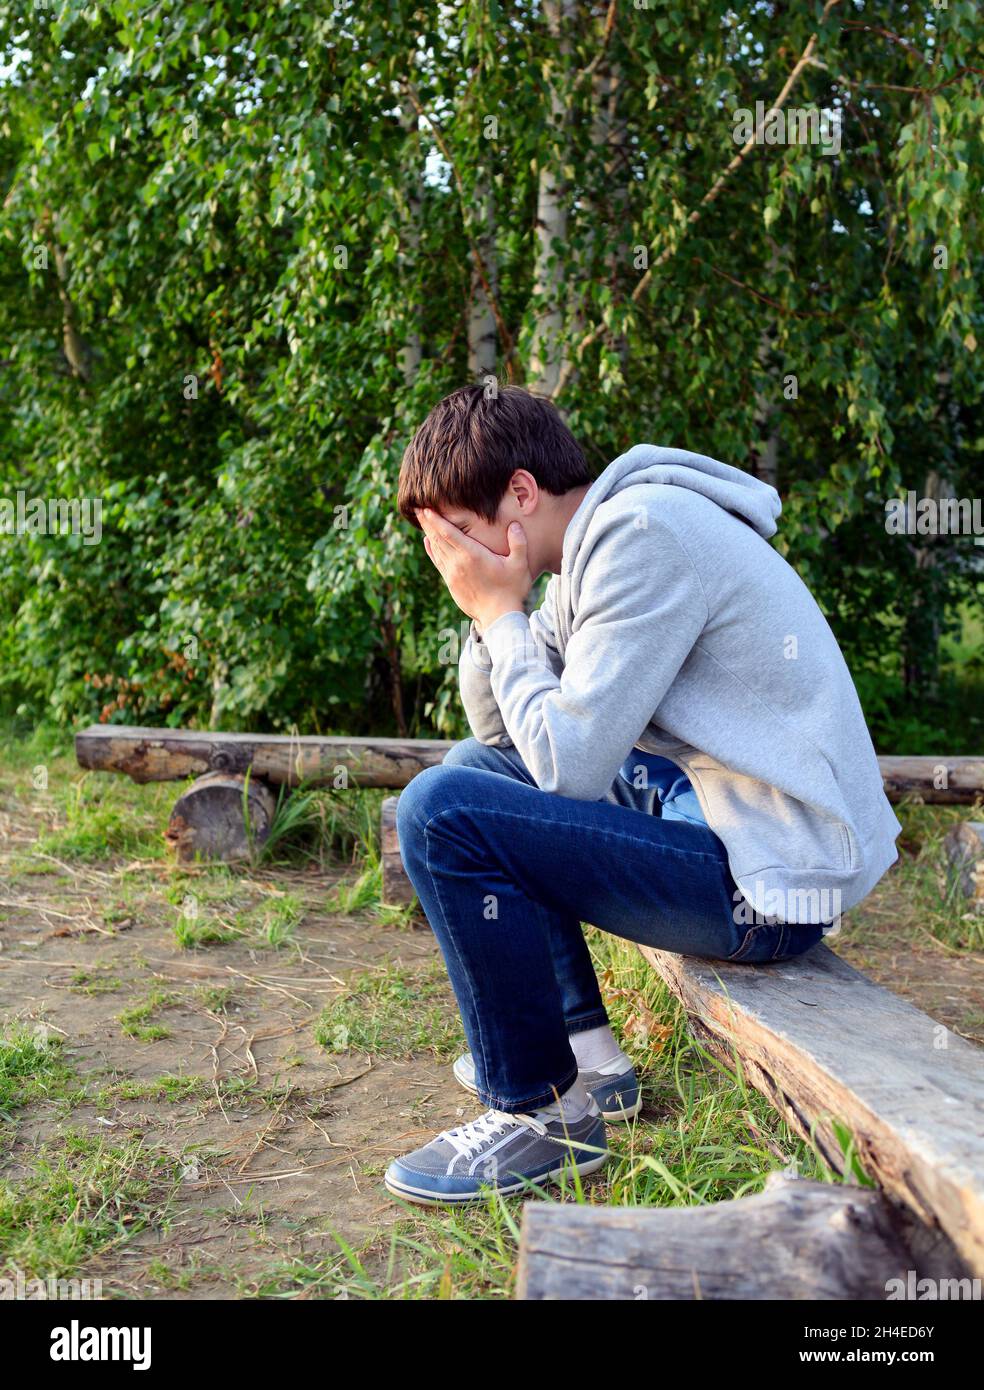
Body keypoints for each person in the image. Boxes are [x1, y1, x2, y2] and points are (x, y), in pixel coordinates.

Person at [383, 383, 901, 1205]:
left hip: (770, 882)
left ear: (520, 493)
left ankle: (539, 1116)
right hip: (707, 820)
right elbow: (498, 736)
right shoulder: (584, 555)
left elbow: (571, 770)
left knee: (442, 813)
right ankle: (586, 1057)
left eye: (458, 534)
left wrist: (497, 612)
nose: (455, 559)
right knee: (469, 778)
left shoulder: (643, 537)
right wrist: (493, 615)